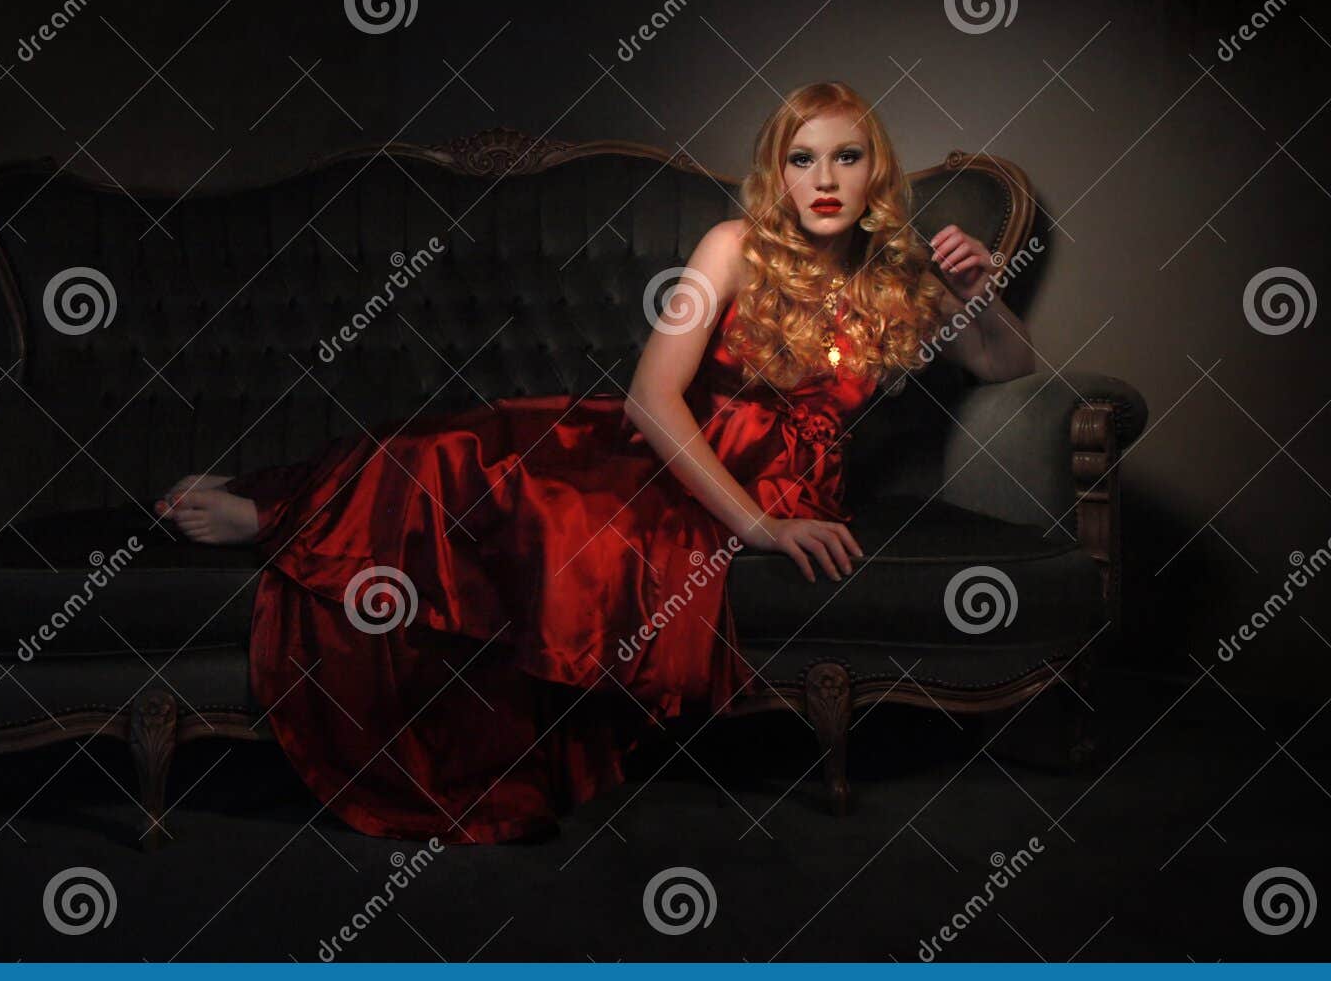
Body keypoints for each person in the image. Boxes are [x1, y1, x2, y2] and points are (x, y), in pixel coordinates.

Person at [153, 81, 1037, 843]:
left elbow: (1006, 366)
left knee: (558, 527)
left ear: (875, 171)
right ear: (779, 173)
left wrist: (978, 296)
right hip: (668, 459)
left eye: (847, 158)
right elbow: (654, 400)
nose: (826, 181)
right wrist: (759, 526)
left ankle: (280, 514)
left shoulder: (901, 272)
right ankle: (272, 512)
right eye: (804, 160)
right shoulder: (734, 245)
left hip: (785, 484)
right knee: (453, 457)